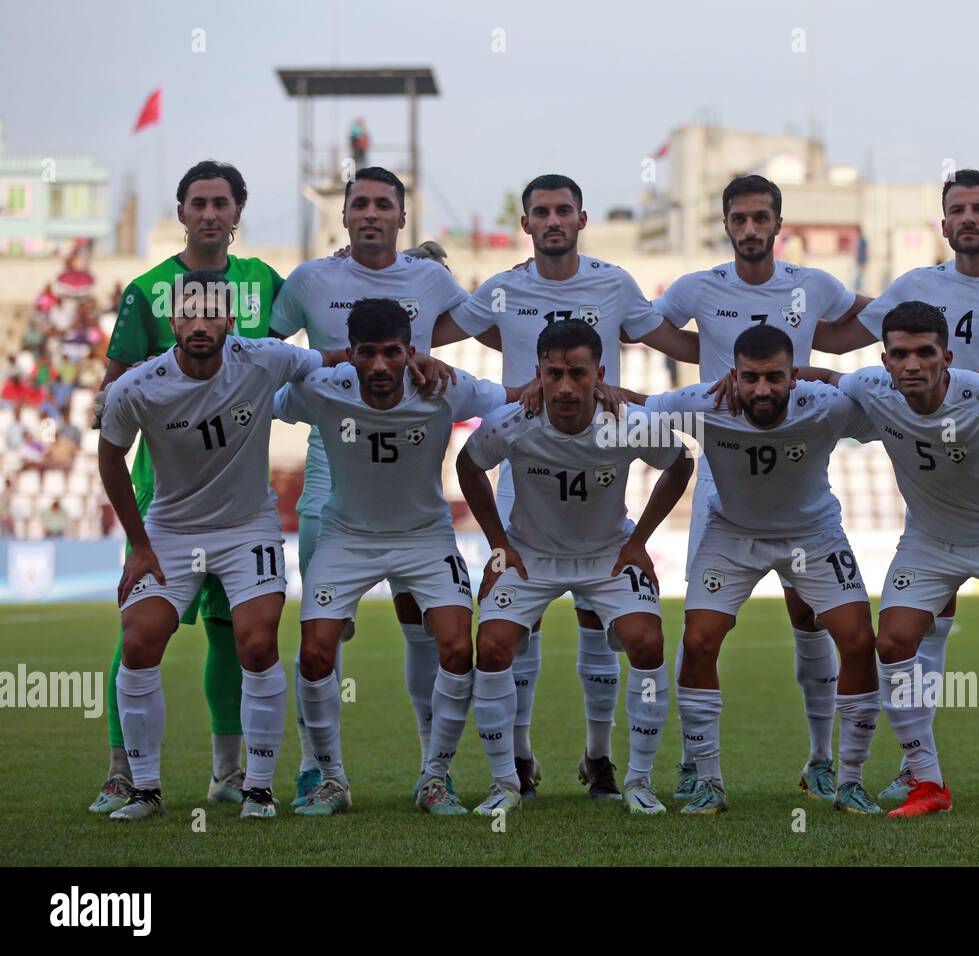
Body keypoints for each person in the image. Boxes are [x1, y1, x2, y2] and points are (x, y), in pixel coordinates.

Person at [433, 173, 698, 800]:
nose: (552, 220)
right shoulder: (500, 290)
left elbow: (668, 341)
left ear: (581, 219)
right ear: (526, 224)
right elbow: (442, 331)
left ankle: (601, 759)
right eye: (540, 212)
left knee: (600, 625)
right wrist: (390, 275)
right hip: (526, 463)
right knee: (512, 634)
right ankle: (519, 762)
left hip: (598, 468)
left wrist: (734, 362)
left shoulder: (614, 284)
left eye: (563, 211)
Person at [819, 168, 979, 801]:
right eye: (957, 208)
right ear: (942, 224)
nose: (969, 217)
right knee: (914, 636)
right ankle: (919, 769)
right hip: (932, 495)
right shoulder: (913, 287)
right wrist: (778, 314)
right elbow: (842, 346)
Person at [653, 173, 874, 801]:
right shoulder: (697, 287)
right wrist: (712, 375)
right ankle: (698, 767)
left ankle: (823, 759)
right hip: (725, 473)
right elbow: (647, 329)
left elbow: (866, 324)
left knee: (813, 620)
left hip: (799, 460)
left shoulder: (815, 286)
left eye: (760, 218)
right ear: (725, 225)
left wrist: (816, 371)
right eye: (739, 219)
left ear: (779, 224)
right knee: (699, 631)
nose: (750, 229)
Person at [804, 300, 979, 819]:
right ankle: (928, 783)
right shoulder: (873, 389)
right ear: (885, 360)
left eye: (925, 353)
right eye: (899, 354)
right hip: (930, 538)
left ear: (947, 356)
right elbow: (822, 375)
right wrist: (761, 379)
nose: (912, 365)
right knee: (893, 641)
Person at [270, 166, 473, 806]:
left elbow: (474, 330)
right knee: (325, 636)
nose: (371, 214)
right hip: (334, 461)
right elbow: (263, 354)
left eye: (384, 204)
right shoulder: (310, 279)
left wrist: (424, 356)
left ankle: (430, 769)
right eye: (360, 204)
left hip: (407, 461)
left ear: (401, 217)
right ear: (346, 215)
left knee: (423, 623)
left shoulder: (431, 278)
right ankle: (319, 767)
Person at [88, 160, 284, 815]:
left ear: (236, 213)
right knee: (138, 632)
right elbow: (111, 391)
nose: (209, 213)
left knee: (238, 637)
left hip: (240, 494)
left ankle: (231, 773)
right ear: (181, 213)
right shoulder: (147, 290)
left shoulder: (265, 282)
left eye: (221, 202)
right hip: (159, 495)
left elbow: (312, 342)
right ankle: (124, 775)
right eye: (197, 202)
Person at [623, 324, 882, 816]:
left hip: (814, 535)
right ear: (733, 376)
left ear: (794, 377)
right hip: (732, 535)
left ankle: (849, 778)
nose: (762, 390)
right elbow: (642, 403)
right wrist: (591, 389)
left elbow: (882, 404)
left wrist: (827, 373)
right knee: (697, 641)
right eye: (750, 378)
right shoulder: (704, 403)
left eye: (774, 378)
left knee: (857, 640)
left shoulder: (826, 405)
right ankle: (708, 781)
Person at [97, 272, 323, 821]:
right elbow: (109, 457)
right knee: (139, 640)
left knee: (256, 643)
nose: (199, 324)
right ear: (172, 321)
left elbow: (329, 365)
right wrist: (139, 543)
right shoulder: (138, 386)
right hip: (171, 530)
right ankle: (145, 791)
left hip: (248, 528)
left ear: (229, 319)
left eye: (211, 313)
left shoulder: (266, 358)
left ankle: (257, 790)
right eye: (187, 314)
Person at [274, 298, 511, 815]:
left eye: (392, 353)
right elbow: (256, 394)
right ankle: (330, 779)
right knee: (315, 653)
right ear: (351, 354)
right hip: (346, 537)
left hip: (425, 537)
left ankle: (434, 778)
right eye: (367, 354)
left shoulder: (444, 386)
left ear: (411, 351)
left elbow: (512, 400)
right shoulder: (321, 387)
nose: (380, 366)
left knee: (455, 649)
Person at [454, 320, 693, 817]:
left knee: (646, 642)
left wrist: (639, 540)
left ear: (599, 374)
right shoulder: (512, 422)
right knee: (493, 644)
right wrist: (499, 545)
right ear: (537, 373)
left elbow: (680, 463)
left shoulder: (627, 422)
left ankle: (639, 781)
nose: (565, 386)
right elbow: (468, 467)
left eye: (577, 374)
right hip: (531, 554)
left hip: (607, 553)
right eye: (553, 373)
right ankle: (505, 782)